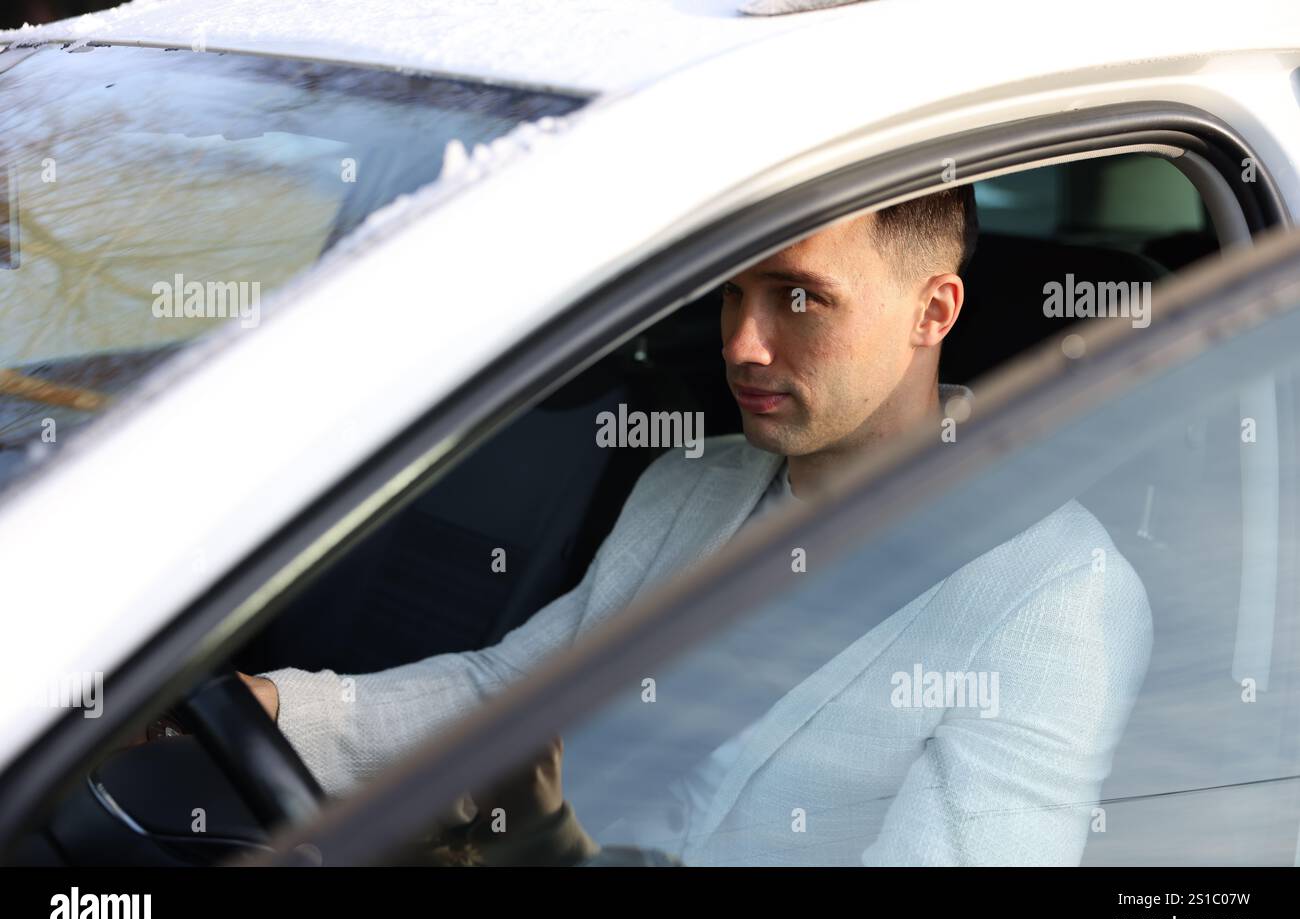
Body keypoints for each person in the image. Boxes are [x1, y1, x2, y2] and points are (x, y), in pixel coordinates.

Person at [239, 186, 1153, 865]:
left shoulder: (1056, 596)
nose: (743, 344)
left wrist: (551, 850)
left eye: (798, 298)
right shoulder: (690, 478)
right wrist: (267, 710)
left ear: (933, 311)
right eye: (731, 294)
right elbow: (504, 695)